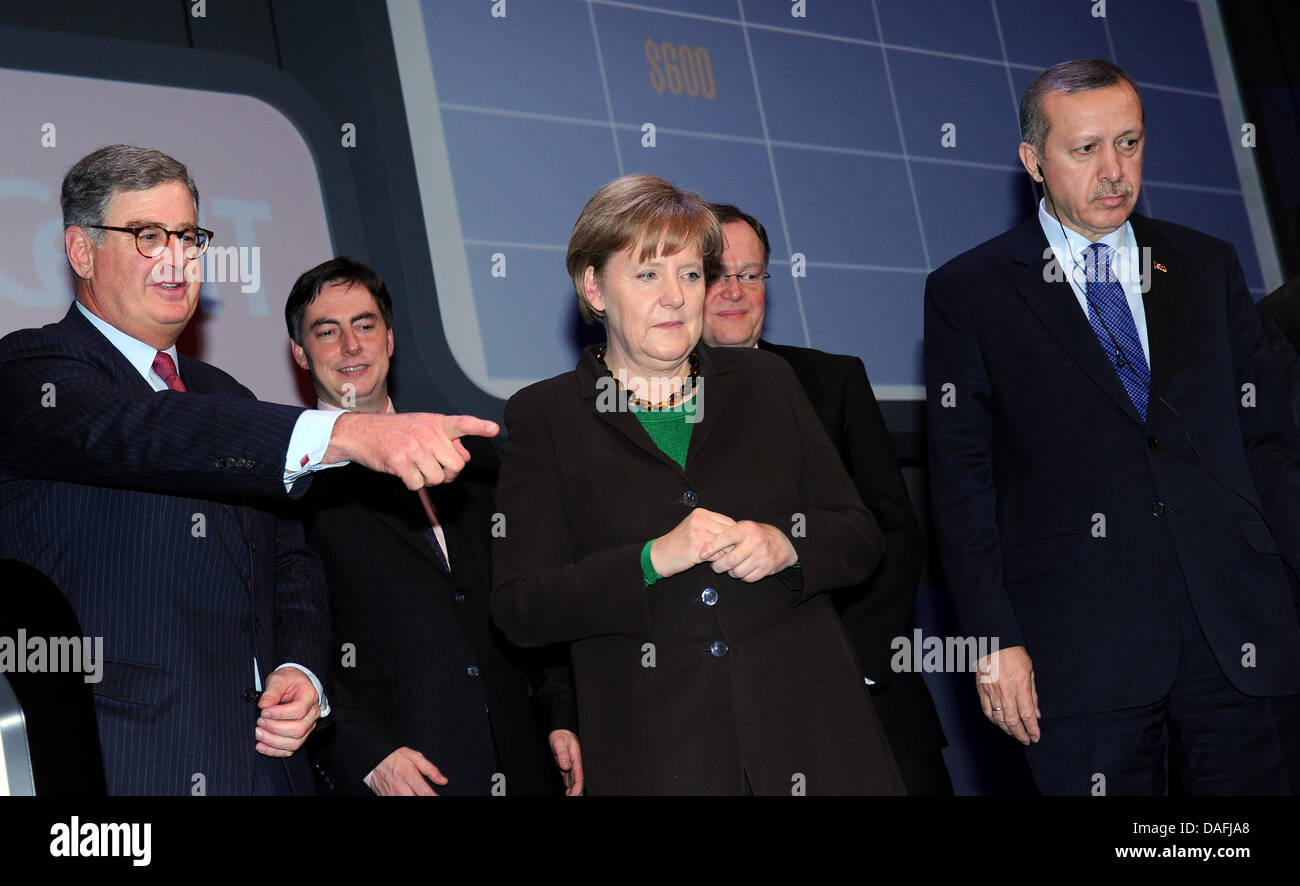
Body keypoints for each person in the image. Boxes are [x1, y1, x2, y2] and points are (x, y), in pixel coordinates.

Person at [0, 145, 497, 794]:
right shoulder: (32, 372)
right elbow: (144, 433)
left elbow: (292, 564)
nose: (177, 259)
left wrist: (302, 671)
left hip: (274, 770)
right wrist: (347, 432)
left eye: (188, 237)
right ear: (82, 251)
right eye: (148, 236)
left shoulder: (225, 393)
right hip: (127, 766)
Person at [925, 60, 1300, 794]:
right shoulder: (969, 292)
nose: (1113, 171)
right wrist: (992, 642)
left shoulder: (1204, 264)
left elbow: (1271, 449)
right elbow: (960, 486)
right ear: (1033, 161)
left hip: (1238, 633)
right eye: (1085, 148)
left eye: (1128, 143)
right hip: (1078, 648)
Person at [490, 174, 903, 795]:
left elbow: (859, 532)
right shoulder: (544, 417)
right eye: (648, 275)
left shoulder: (768, 382)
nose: (677, 298)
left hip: (815, 739)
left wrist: (788, 546)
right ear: (595, 287)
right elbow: (521, 606)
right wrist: (653, 560)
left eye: (690, 275)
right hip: (658, 757)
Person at [284, 257, 581, 796]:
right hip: (403, 777)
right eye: (327, 332)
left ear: (390, 340)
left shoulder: (471, 457)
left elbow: (526, 595)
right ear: (301, 354)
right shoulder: (293, 487)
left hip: (525, 763)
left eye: (365, 325)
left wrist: (561, 712)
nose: (351, 347)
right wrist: (365, 753)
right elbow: (288, 639)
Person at [702, 203, 952, 795]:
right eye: (716, 274)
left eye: (752, 273)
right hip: (730, 725)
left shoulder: (831, 381)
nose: (736, 291)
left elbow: (891, 530)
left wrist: (850, 667)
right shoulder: (649, 405)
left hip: (867, 698)